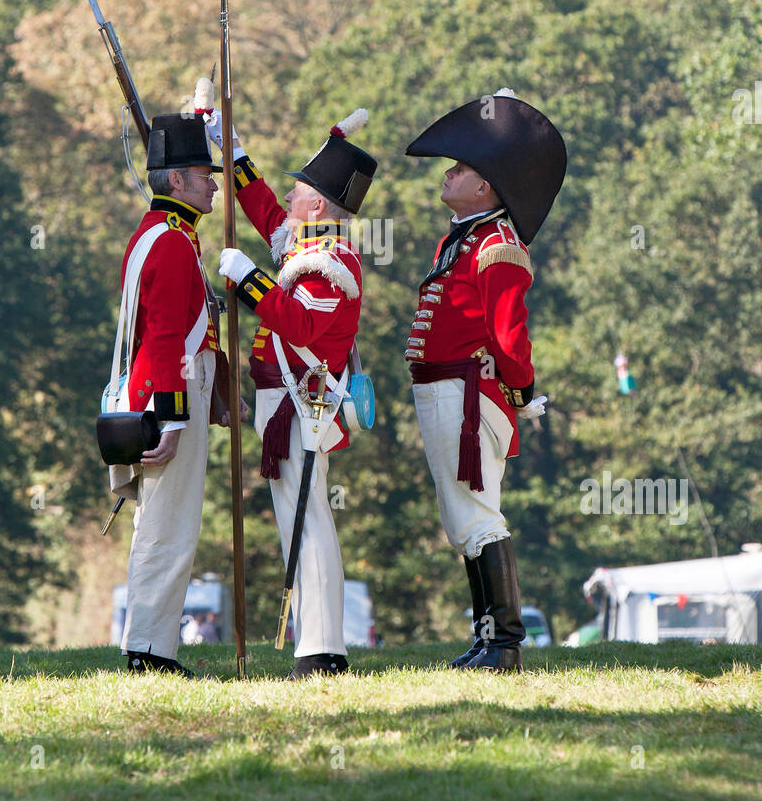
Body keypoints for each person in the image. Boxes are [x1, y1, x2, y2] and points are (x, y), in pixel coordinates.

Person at [210, 108, 377, 679]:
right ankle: (317, 643)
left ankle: (324, 649)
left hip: (302, 404)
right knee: (298, 521)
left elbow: (300, 326)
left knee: (308, 522)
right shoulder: (307, 247)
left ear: (320, 206)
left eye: (299, 190)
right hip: (286, 404)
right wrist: (233, 158)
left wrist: (249, 278)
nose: (289, 195)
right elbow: (266, 212)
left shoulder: (328, 263)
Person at [405, 90, 566, 672]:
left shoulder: (496, 245)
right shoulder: (466, 237)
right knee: (462, 517)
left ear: (488, 187)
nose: (450, 173)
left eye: (463, 167)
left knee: (477, 515)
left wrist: (520, 391)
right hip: (447, 390)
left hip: (469, 394)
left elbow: (509, 338)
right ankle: (487, 635)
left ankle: (504, 644)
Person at [119, 110, 220, 677]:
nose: (212, 183)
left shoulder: (160, 233)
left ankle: (151, 646)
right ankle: (150, 651)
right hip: (168, 393)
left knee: (164, 524)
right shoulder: (175, 243)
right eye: (203, 173)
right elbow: (161, 338)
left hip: (164, 387)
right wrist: (174, 417)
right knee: (169, 527)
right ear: (176, 180)